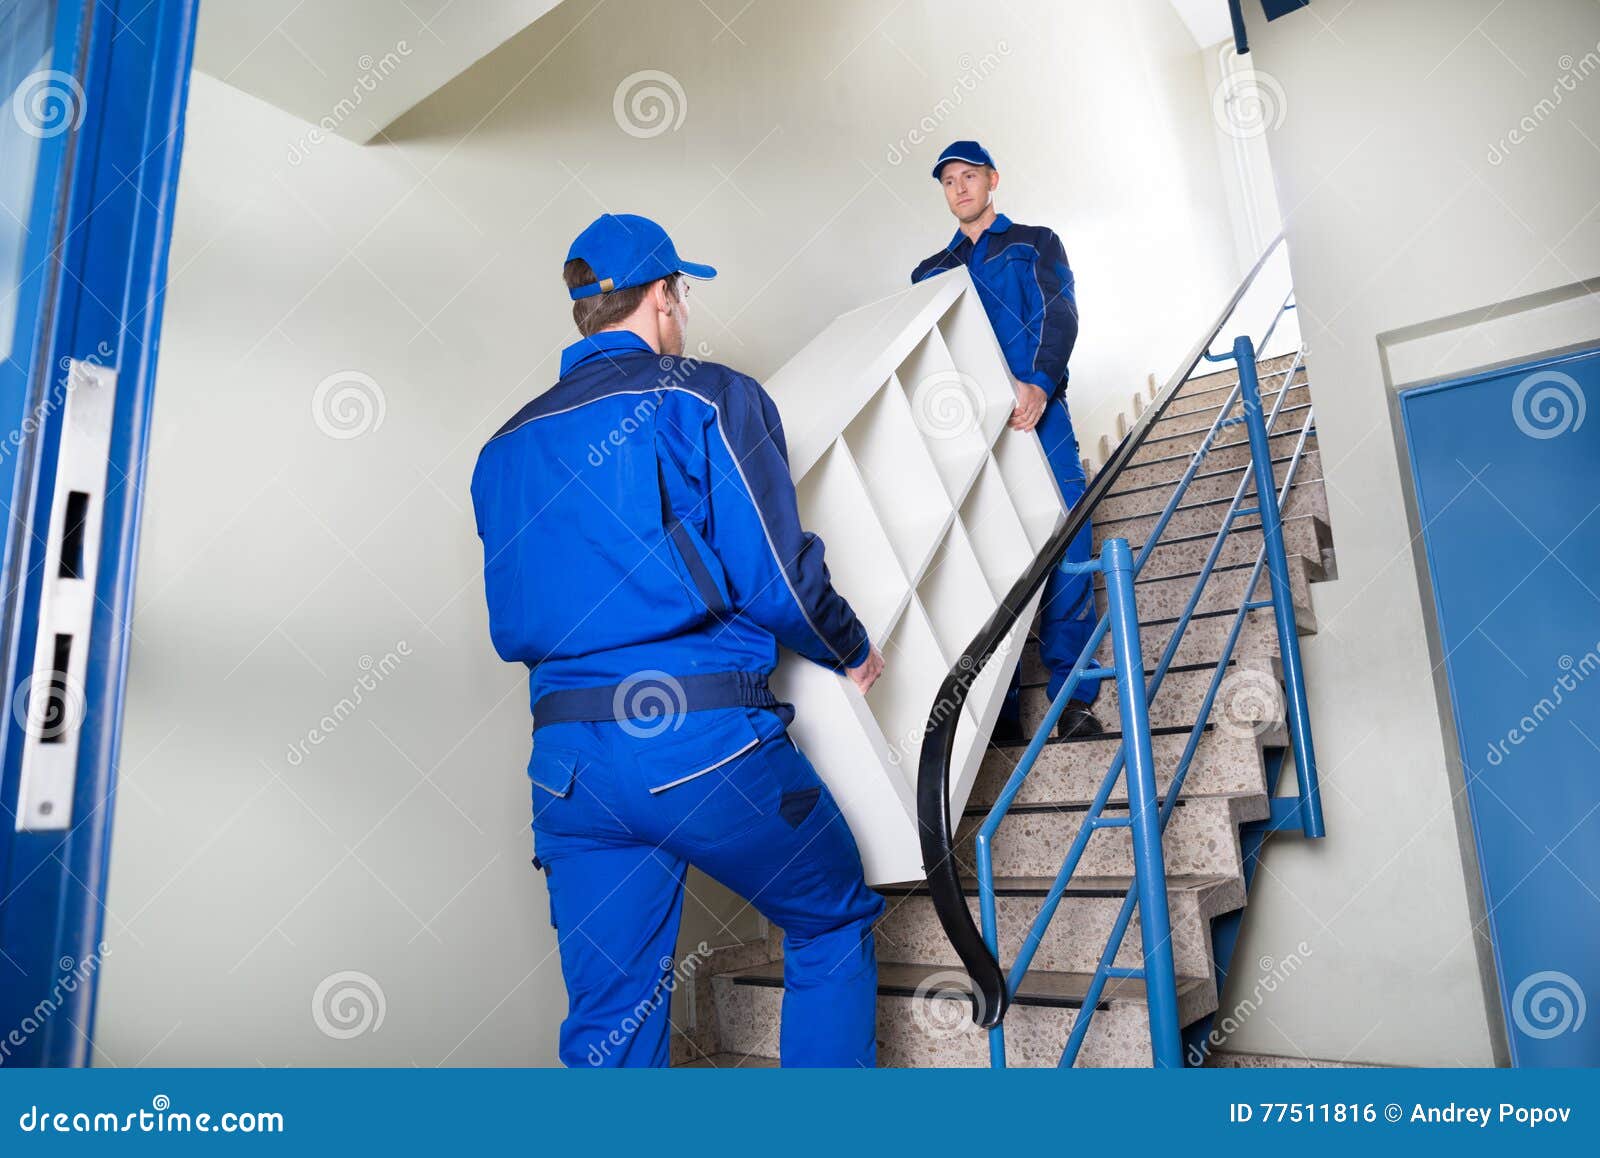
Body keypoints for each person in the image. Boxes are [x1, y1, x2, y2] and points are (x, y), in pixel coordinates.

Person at [470, 213, 887, 1068]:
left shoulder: (503, 447)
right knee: (832, 919)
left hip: (568, 770)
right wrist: (848, 647)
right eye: (681, 292)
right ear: (663, 296)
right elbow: (774, 572)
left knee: (611, 1023)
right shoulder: (706, 395)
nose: (683, 310)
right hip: (697, 744)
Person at [911, 140, 1102, 742]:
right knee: (989, 558)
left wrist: (1040, 383)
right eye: (948, 181)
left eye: (969, 176)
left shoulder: (1035, 243)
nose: (959, 188)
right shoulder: (929, 273)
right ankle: (1003, 708)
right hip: (970, 436)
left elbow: (1060, 313)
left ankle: (1074, 698)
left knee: (1067, 542)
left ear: (992, 180)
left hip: (1037, 417)